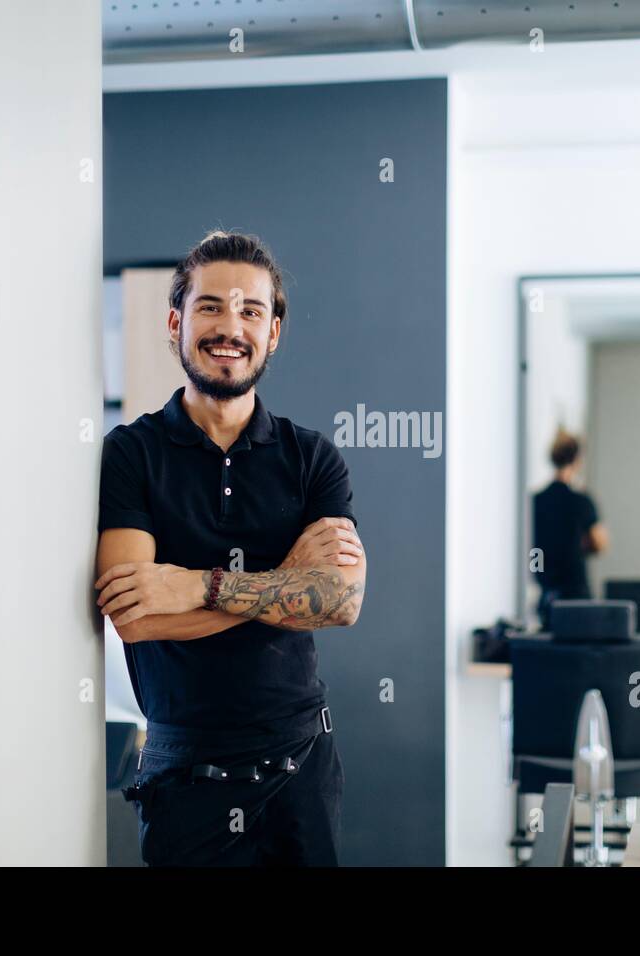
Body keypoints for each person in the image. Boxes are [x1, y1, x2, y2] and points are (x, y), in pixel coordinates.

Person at [94, 231, 368, 866]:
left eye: (251, 311)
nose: (230, 327)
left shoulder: (313, 458)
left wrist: (196, 585)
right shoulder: (130, 454)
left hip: (302, 765)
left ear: (273, 332)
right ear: (176, 322)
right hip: (186, 771)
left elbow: (341, 600)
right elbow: (135, 615)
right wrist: (288, 580)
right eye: (211, 306)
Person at [531, 429, 608, 631]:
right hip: (577, 594)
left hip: (547, 594)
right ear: (577, 460)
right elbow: (599, 544)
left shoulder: (536, 501)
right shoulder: (581, 501)